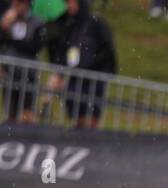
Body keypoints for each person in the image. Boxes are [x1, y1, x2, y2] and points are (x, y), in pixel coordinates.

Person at [55, 0, 115, 128]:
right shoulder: (69, 23)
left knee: (92, 117)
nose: (69, 6)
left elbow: (108, 49)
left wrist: (91, 64)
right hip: (75, 77)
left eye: (71, 2)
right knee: (77, 115)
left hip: (94, 78)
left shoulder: (96, 23)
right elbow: (62, 47)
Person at [1, 0, 46, 122]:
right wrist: (3, 27)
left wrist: (13, 40)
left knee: (27, 114)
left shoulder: (37, 23)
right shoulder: (8, 20)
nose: (16, 7)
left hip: (28, 74)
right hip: (10, 73)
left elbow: (35, 46)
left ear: (26, 4)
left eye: (19, 4)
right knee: (10, 113)